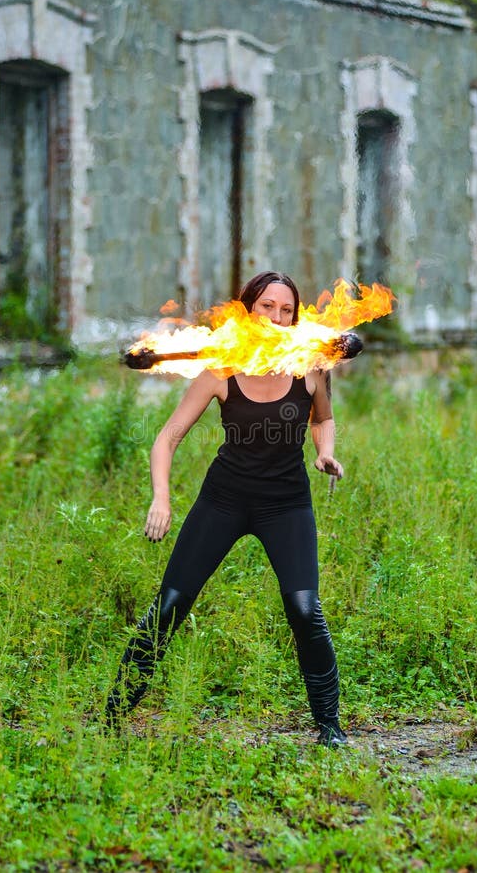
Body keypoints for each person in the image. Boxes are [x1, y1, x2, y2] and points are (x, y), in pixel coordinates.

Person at [106, 271, 346, 746]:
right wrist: (162, 496)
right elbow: (167, 438)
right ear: (247, 311)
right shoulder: (219, 370)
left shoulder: (312, 365)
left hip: (286, 503)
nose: (277, 317)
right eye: (266, 307)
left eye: (286, 310)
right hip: (224, 500)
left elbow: (324, 417)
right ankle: (111, 718)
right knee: (171, 604)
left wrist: (324, 450)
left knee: (304, 608)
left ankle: (330, 727)